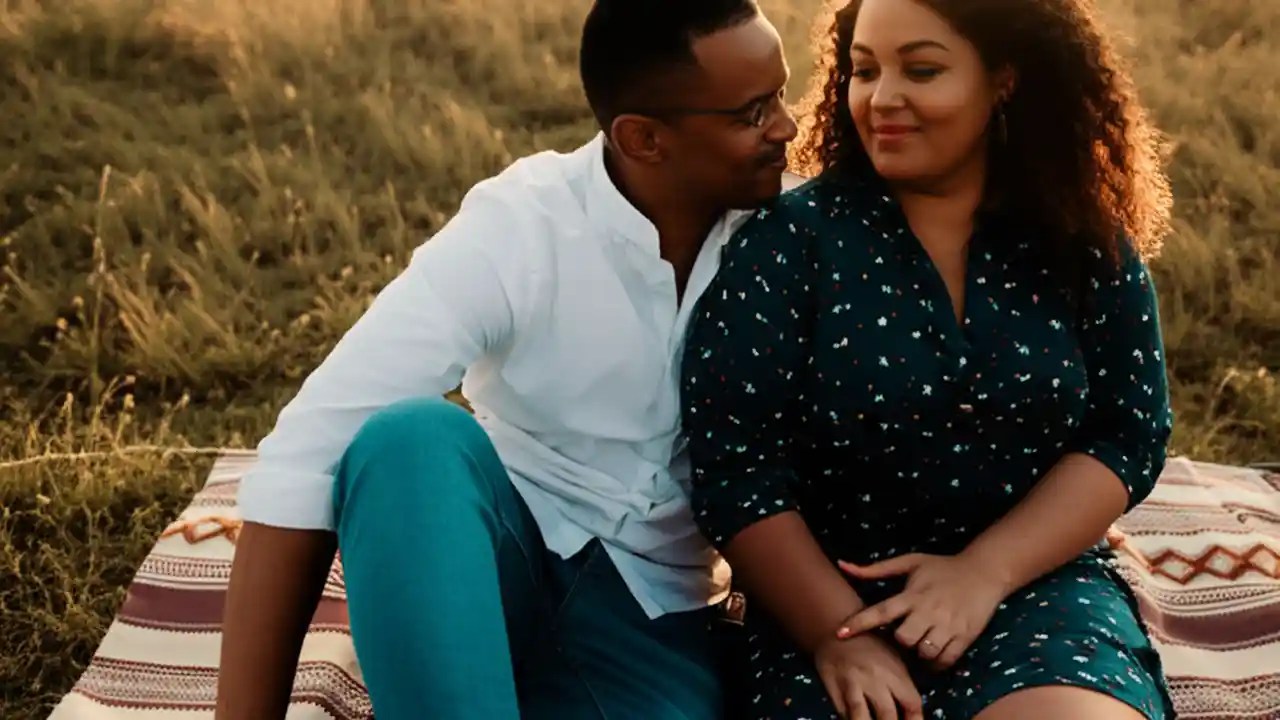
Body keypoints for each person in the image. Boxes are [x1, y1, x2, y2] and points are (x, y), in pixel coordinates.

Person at [214, 1, 798, 718]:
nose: (788, 127)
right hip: (492, 560)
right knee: (409, 441)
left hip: (658, 616)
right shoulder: (525, 222)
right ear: (644, 139)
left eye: (781, 94)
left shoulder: (798, 242)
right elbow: (306, 457)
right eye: (752, 112)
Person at [681, 0, 1176, 718]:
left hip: (1032, 584)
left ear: (1003, 79)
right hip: (829, 602)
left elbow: (1125, 432)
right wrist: (834, 635)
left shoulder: (1080, 239)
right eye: (863, 70)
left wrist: (983, 572)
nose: (882, 98)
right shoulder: (788, 246)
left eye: (922, 70)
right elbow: (736, 467)